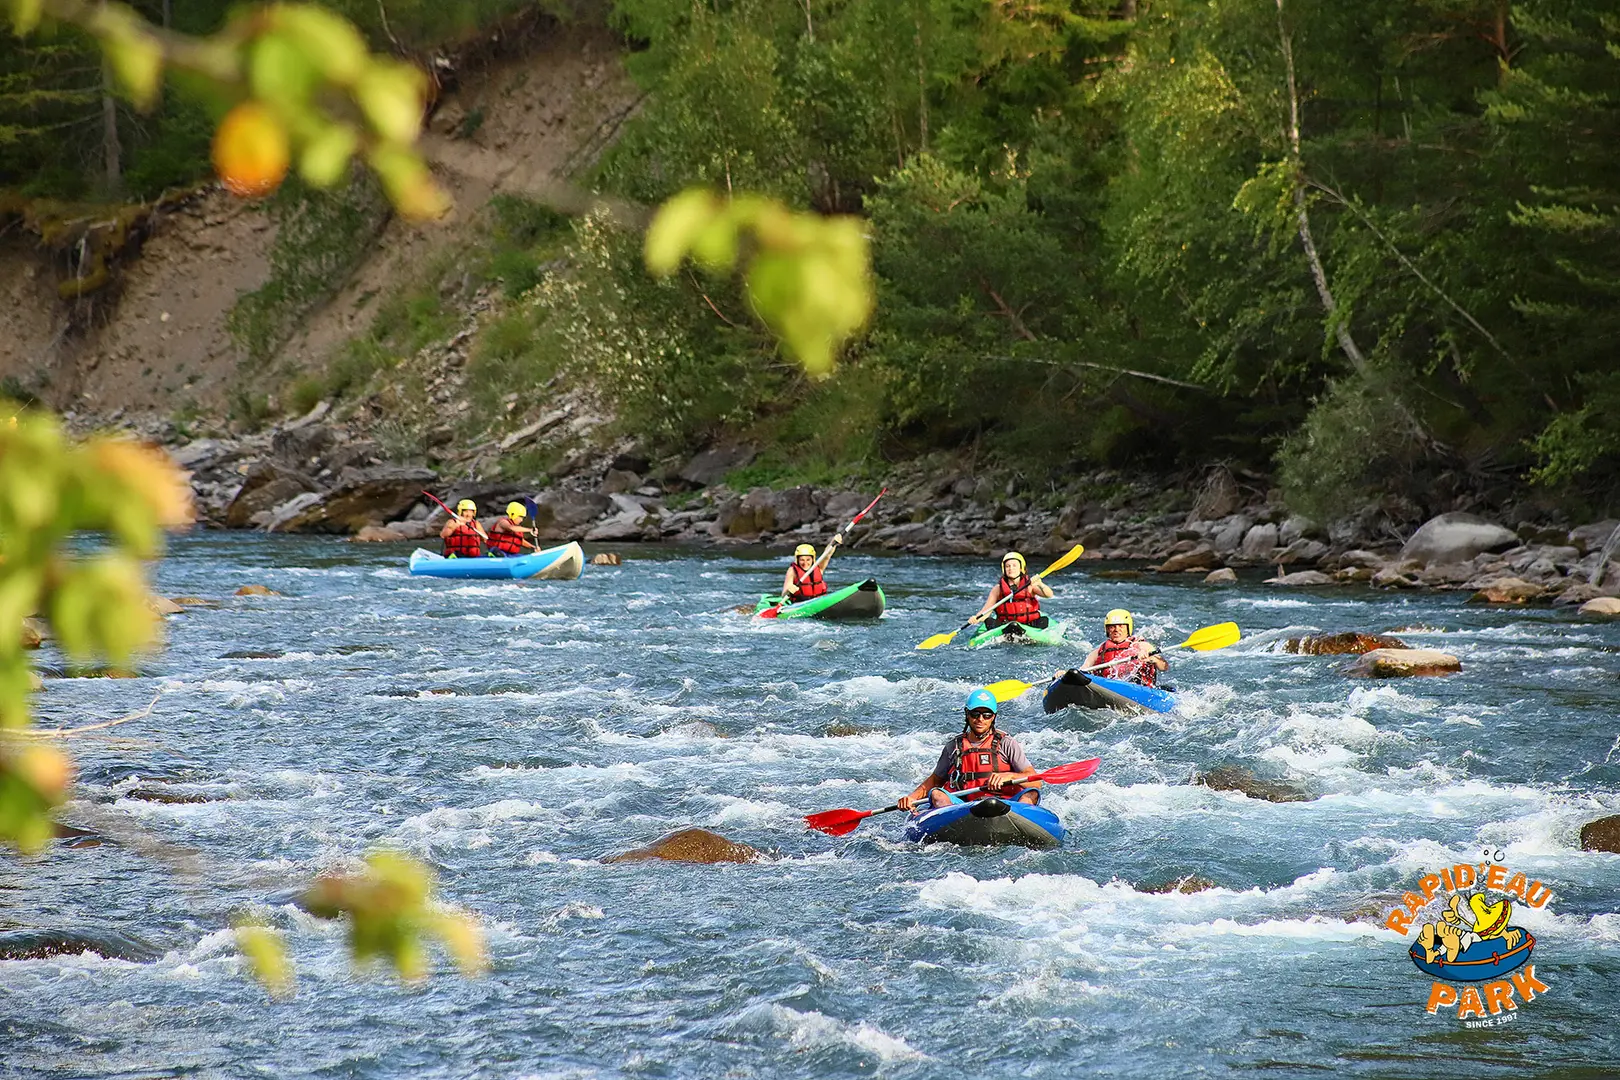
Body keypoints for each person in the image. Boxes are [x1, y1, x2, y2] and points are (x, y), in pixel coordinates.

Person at [896, 689, 1043, 810]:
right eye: (975, 714)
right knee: (937, 795)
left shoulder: (1007, 744)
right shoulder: (953, 747)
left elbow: (1036, 782)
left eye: (987, 715)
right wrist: (912, 798)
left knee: (1032, 793)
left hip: (1007, 803)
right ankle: (952, 823)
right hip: (964, 807)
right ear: (967, 714)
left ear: (993, 717)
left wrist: (1009, 776)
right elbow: (935, 780)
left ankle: (1022, 820)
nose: (980, 719)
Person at [1079, 608, 1168, 686]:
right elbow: (1083, 669)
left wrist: (1153, 659)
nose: (1116, 630)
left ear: (1128, 628)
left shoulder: (1142, 645)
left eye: (1121, 626)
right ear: (1107, 630)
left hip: (1139, 688)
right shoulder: (1099, 651)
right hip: (1107, 686)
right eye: (1112, 627)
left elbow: (1164, 667)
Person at [969, 551, 1054, 629]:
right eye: (1007, 566)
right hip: (1005, 624)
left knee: (1043, 620)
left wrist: (1041, 584)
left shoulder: (1030, 585)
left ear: (1021, 568)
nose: (1011, 568)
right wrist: (976, 618)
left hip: (1029, 624)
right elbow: (986, 611)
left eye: (1014, 565)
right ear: (1004, 569)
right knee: (989, 621)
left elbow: (1049, 595)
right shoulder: (998, 589)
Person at [779, 533, 844, 603]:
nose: (805, 563)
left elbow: (827, 555)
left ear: (812, 559)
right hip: (800, 604)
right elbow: (783, 595)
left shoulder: (819, 567)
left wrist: (833, 543)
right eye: (802, 560)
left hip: (819, 601)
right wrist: (788, 590)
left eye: (808, 560)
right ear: (797, 560)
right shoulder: (792, 571)